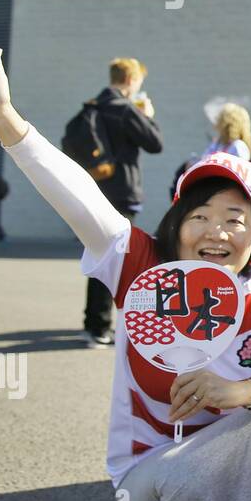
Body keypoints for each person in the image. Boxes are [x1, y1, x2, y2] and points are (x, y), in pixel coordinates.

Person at [0, 49, 251, 501]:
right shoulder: (142, 266)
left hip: (237, 454)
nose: (217, 232)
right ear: (175, 224)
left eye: (235, 219)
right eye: (200, 216)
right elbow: (80, 195)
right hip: (151, 474)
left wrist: (244, 392)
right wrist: (4, 121)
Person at [82, 57, 163, 348]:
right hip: (120, 192)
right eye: (139, 80)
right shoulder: (124, 108)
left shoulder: (93, 105)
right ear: (131, 80)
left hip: (94, 187)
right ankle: (100, 328)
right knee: (113, 258)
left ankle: (93, 322)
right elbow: (155, 142)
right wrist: (148, 115)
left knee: (98, 252)